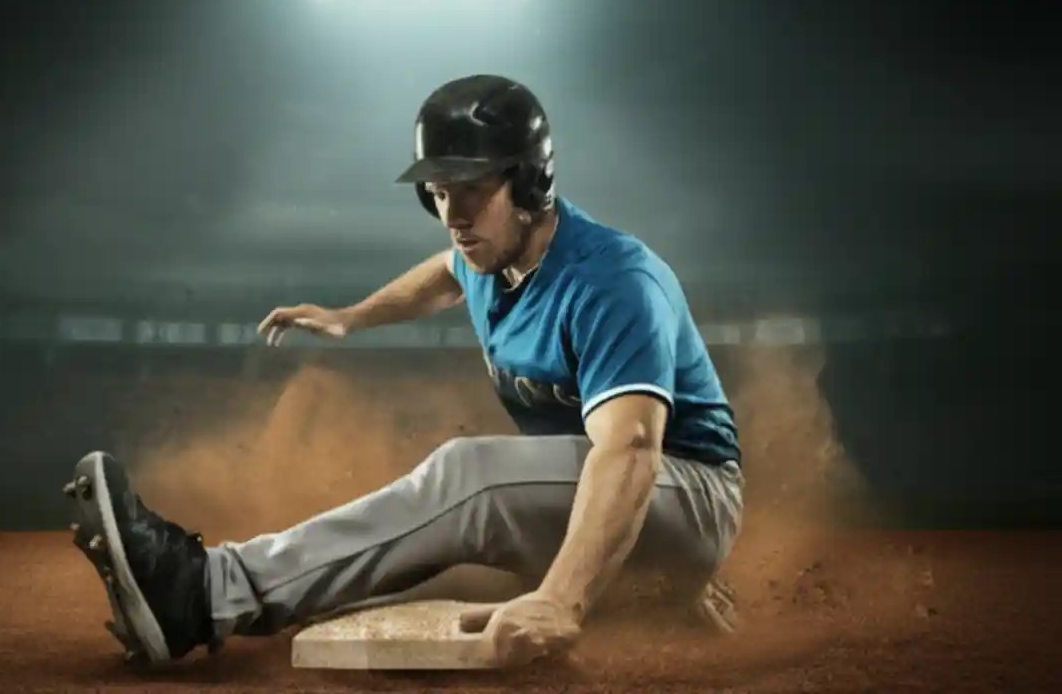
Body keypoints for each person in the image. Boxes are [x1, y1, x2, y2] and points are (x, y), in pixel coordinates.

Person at [63, 74, 745, 669]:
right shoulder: (486, 254)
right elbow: (442, 279)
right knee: (411, 581)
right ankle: (644, 601)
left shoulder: (612, 282)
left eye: (472, 189)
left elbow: (630, 450)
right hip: (604, 504)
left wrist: (565, 599)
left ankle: (203, 591)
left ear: (532, 180)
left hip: (682, 490)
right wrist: (350, 317)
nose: (453, 215)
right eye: (439, 193)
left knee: (470, 478)